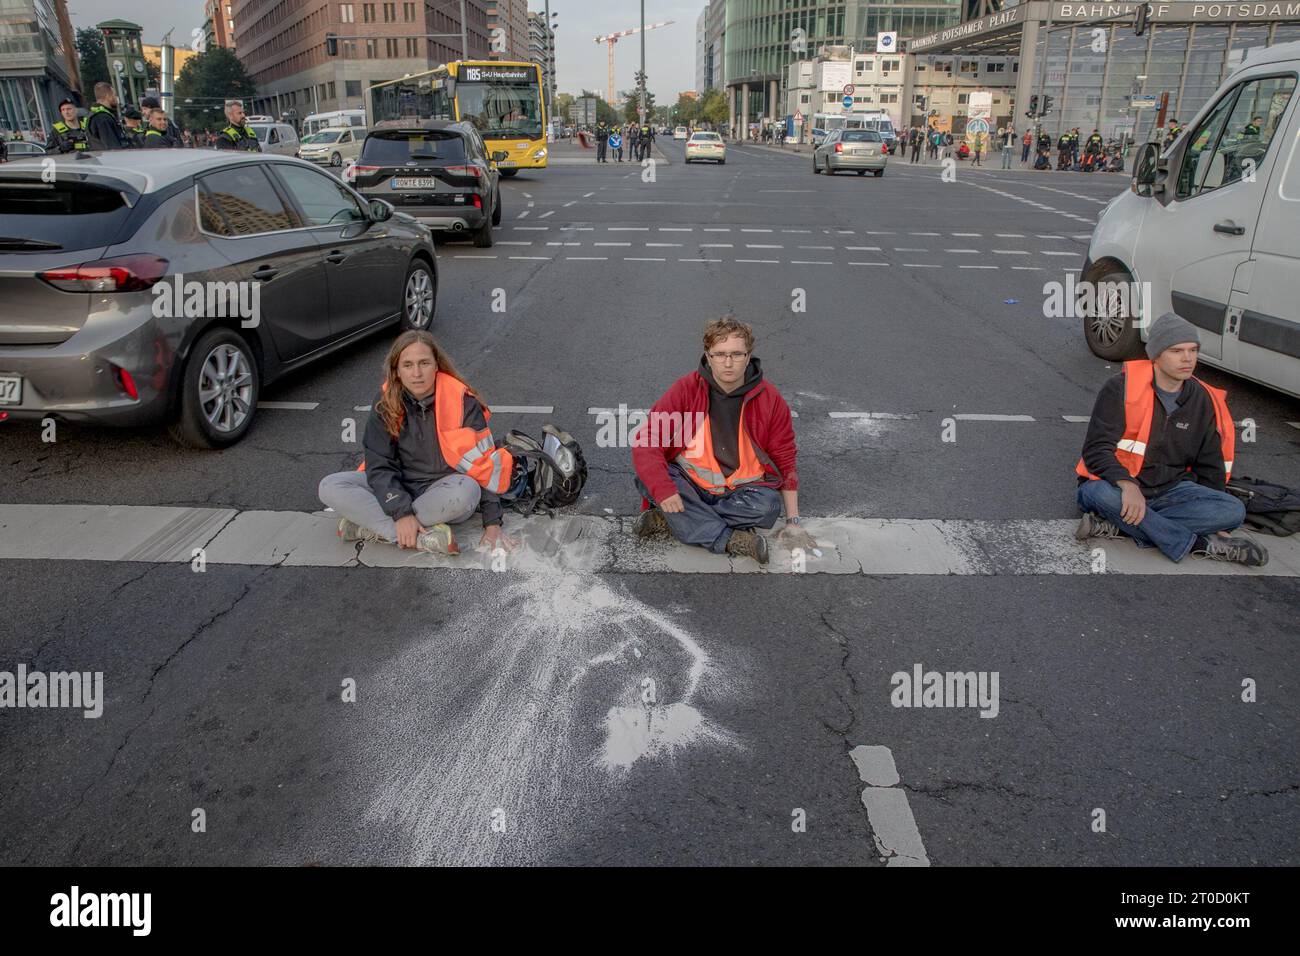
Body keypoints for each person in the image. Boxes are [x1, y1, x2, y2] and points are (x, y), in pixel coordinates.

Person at [1075, 312, 1266, 566]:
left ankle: (1122, 525)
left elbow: (1210, 465)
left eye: (1193, 350)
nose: (1187, 358)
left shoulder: (1202, 399)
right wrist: (1128, 485)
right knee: (1097, 494)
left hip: (1170, 491)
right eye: (1176, 350)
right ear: (1156, 355)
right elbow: (1096, 449)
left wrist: (1218, 518)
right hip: (1116, 486)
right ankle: (1200, 544)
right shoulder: (1120, 388)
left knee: (1232, 510)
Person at [631, 316, 815, 566]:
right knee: (649, 477)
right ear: (708, 356)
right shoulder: (686, 389)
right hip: (690, 482)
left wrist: (793, 522)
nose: (728, 363)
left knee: (768, 507)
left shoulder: (770, 399)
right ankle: (730, 539)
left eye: (737, 354)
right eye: (720, 354)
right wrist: (664, 490)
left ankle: (672, 520)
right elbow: (648, 439)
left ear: (748, 356)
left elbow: (785, 456)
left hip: (741, 491)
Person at [318, 330, 515, 555]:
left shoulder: (463, 402)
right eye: (408, 365)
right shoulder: (385, 401)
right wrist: (401, 513)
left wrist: (493, 525)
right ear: (397, 371)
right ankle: (420, 538)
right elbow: (378, 463)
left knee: (466, 492)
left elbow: (485, 466)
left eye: (424, 363)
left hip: (443, 489)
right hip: (396, 487)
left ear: (436, 366)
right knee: (330, 486)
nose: (417, 373)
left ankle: (372, 526)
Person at [85, 81, 135, 150]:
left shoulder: (95, 114)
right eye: (114, 95)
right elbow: (112, 147)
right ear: (108, 96)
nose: (116, 98)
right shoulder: (102, 118)